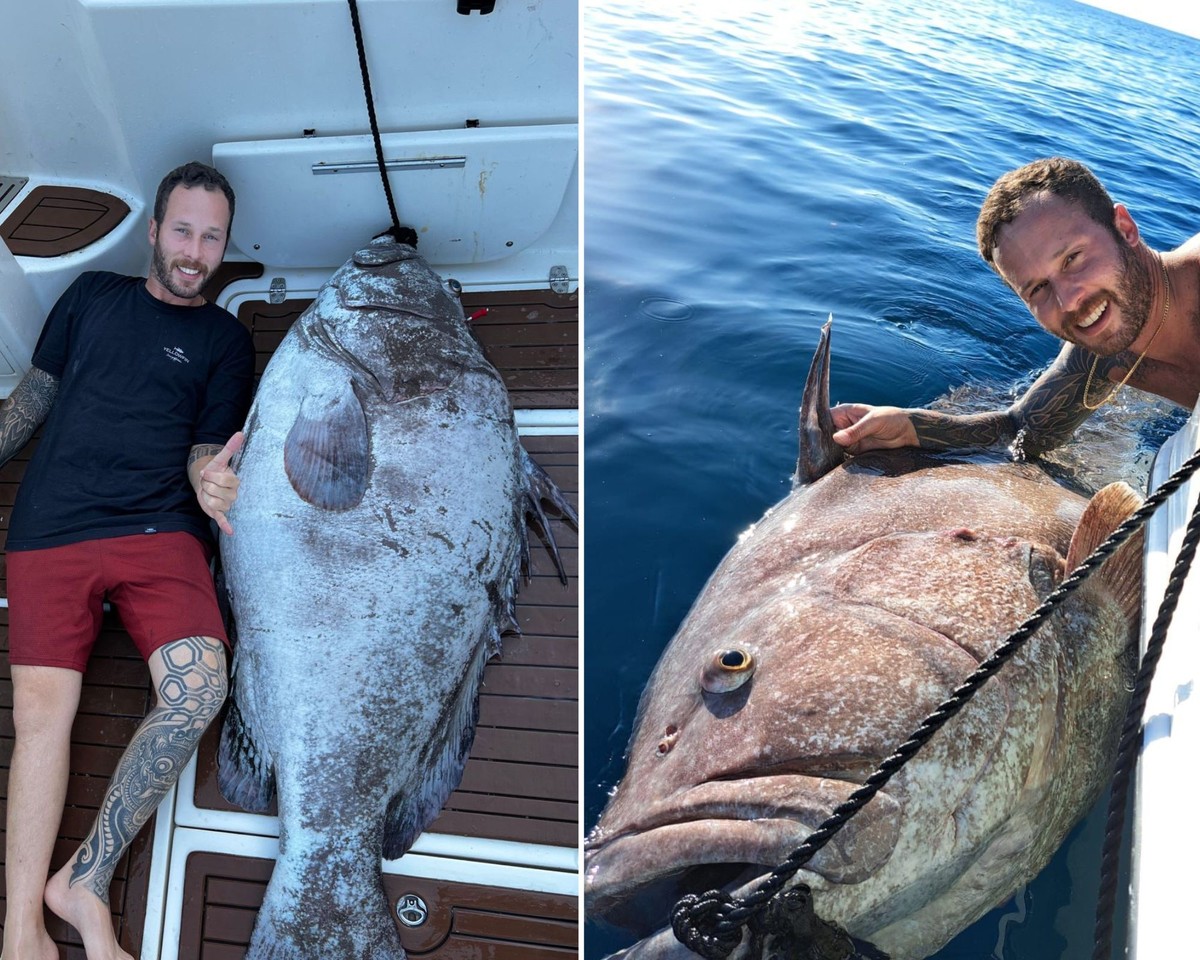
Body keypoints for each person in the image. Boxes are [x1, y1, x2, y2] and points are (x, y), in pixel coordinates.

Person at [1, 161, 255, 960]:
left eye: (211, 237)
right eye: (183, 230)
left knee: (199, 689)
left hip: (158, 531)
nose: (195, 251)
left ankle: (83, 879)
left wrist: (210, 484)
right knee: (42, 715)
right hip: (52, 524)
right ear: (154, 230)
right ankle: (19, 932)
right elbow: (31, 402)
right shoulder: (90, 299)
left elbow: (206, 449)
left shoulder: (224, 338)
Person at [831, 157, 1200, 459]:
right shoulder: (1100, 355)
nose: (1069, 300)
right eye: (1038, 288)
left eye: (1072, 259)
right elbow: (1021, 429)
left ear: (1125, 228)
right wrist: (908, 426)